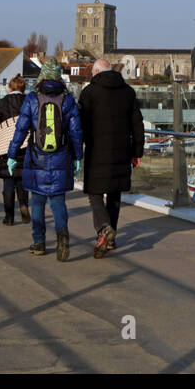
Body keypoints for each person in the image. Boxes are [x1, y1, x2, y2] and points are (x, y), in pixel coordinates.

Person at [6, 59, 81, 261]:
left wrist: (12, 154)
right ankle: (62, 236)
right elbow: (75, 132)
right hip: (60, 157)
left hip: (36, 159)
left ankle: (39, 243)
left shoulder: (32, 98)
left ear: (42, 76)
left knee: (38, 203)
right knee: (58, 203)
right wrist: (78, 157)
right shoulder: (68, 99)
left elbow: (20, 130)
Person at [79, 59, 145, 258]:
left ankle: (104, 227)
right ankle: (111, 239)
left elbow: (80, 124)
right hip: (122, 151)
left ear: (96, 72)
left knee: (95, 193)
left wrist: (78, 147)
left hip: (96, 151)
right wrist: (137, 152)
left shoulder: (89, 93)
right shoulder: (128, 92)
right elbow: (137, 124)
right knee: (114, 195)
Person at [0, 75, 31, 226]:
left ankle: (9, 217)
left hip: (6, 147)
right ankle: (24, 206)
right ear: (23, 88)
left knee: (8, 181)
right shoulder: (28, 101)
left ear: (10, 87)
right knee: (22, 179)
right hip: (25, 145)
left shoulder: (3, 102)